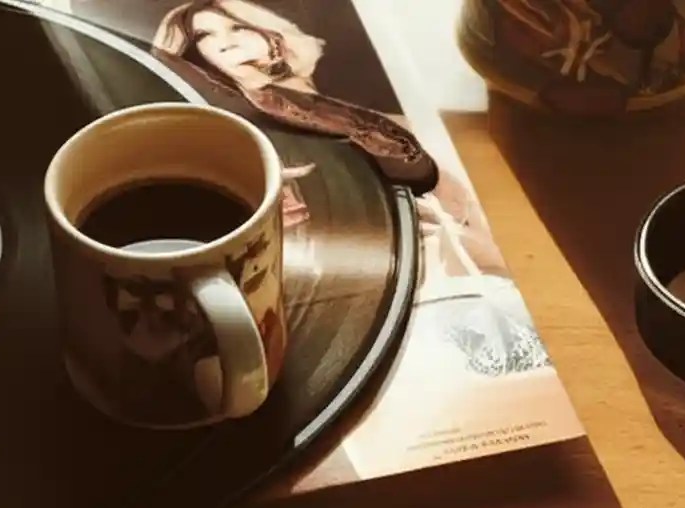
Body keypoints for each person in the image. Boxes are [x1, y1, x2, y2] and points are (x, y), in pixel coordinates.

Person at [152, 0, 551, 376]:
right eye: (205, 37)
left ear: (269, 35)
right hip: (357, 299)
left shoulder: (346, 114)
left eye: (238, 25)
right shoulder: (239, 141)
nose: (231, 39)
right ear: (190, 60)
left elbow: (448, 193)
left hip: (451, 270)